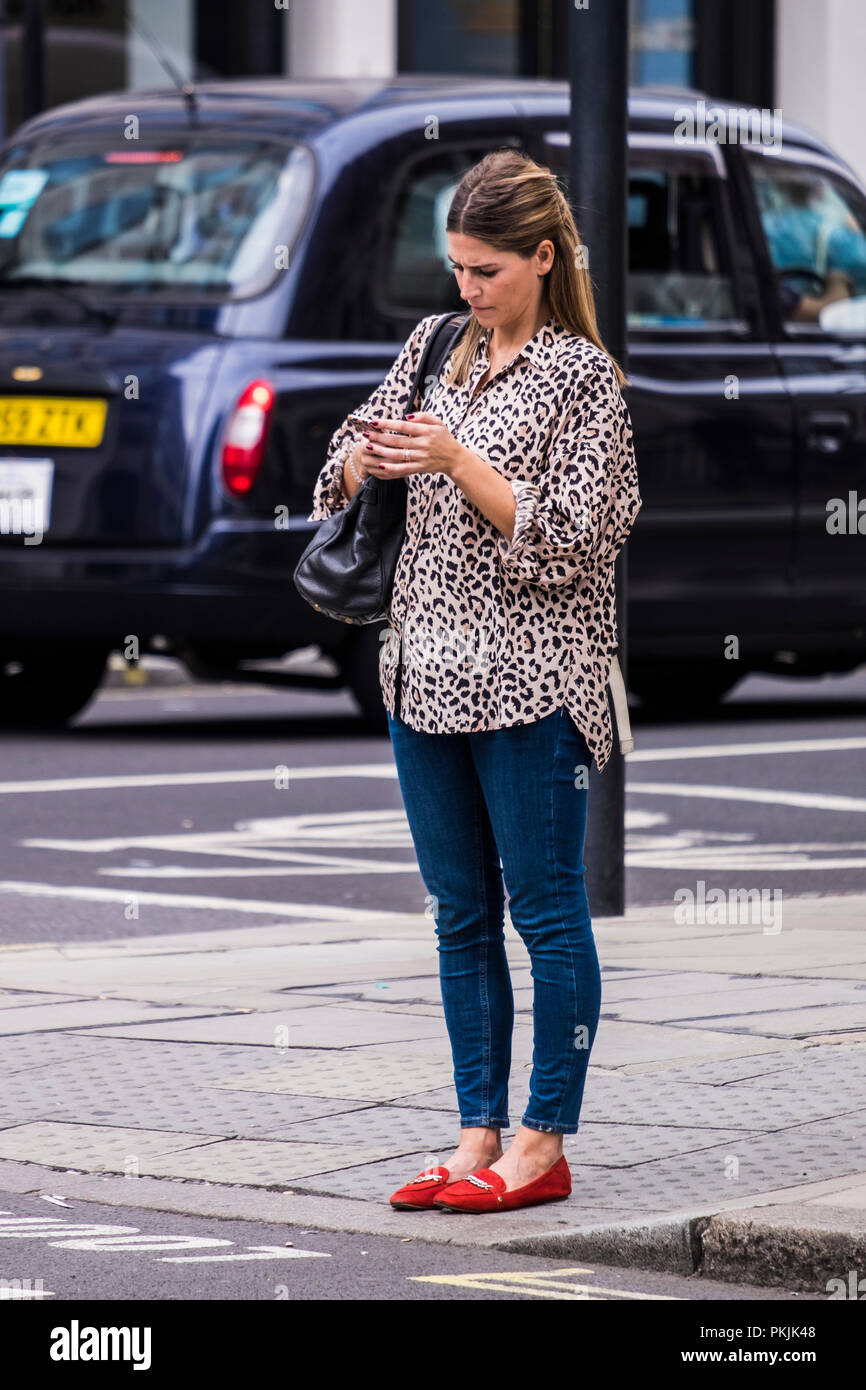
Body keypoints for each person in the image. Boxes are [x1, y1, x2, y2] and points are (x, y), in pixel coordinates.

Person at [308, 149, 641, 1214]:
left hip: (533, 681)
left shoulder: (582, 377)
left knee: (545, 912)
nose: (465, 289)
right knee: (457, 915)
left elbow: (580, 540)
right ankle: (474, 1133)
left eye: (486, 269)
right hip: (418, 673)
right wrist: (372, 457)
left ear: (542, 258)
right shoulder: (431, 344)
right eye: (455, 267)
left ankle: (543, 1142)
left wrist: (457, 461)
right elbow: (333, 469)